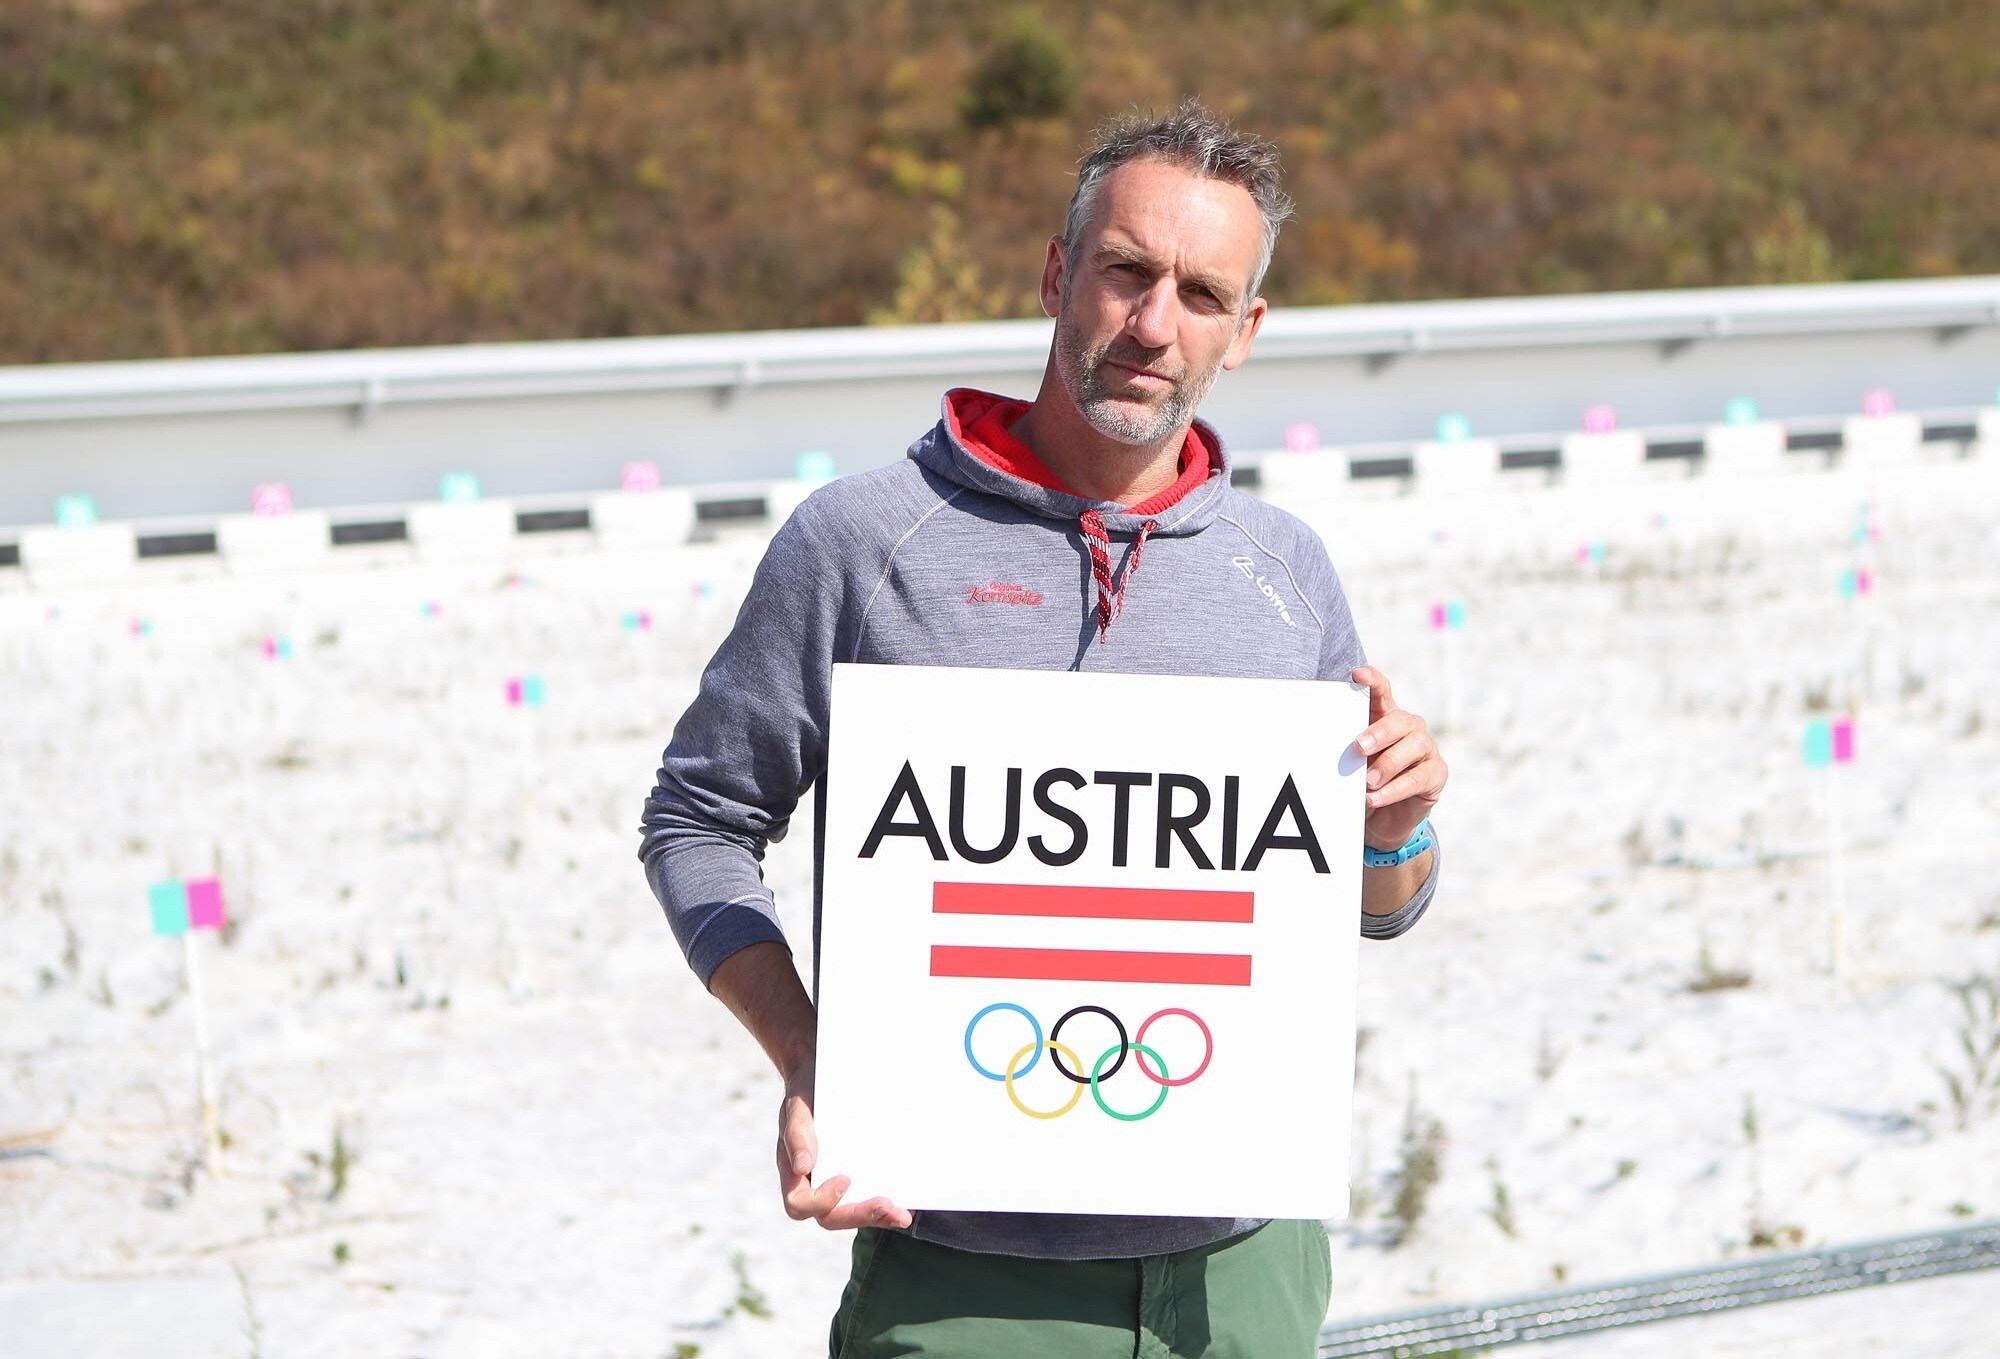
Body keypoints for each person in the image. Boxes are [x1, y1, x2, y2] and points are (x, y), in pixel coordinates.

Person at [639, 100, 1448, 1358]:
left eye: (1200, 292)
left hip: (1244, 1278)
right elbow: (696, 820)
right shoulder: (861, 542)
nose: (1153, 322)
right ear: (1057, 273)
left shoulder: (1284, 570)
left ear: (1245, 332)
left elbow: (1375, 905)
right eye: (1125, 271)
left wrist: (1393, 829)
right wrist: (812, 1057)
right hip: (962, 1276)